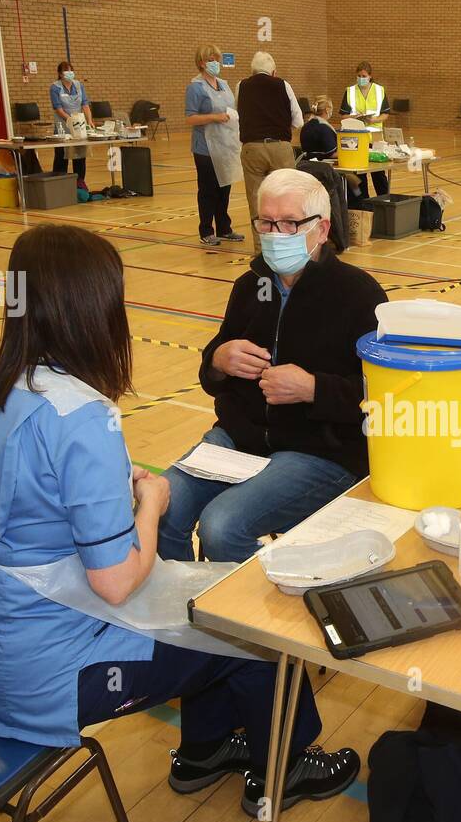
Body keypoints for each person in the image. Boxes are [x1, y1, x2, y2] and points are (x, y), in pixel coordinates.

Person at [0, 223, 360, 815]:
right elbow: (117, 580)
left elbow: (12, 501)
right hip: (46, 676)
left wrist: (100, 494)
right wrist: (151, 508)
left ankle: (204, 751)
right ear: (93, 310)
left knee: (207, 607)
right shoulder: (80, 418)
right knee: (251, 623)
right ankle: (282, 768)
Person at [158, 168, 387, 563]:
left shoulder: (358, 294)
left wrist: (314, 389)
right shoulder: (251, 286)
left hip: (319, 452)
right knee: (160, 504)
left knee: (222, 525)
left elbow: (381, 399)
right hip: (238, 440)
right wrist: (218, 360)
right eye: (265, 221)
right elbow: (212, 376)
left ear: (321, 228)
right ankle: (184, 607)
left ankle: (251, 612)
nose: (274, 233)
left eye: (289, 223)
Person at [236, 51, 303, 234]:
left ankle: (261, 251)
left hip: (252, 148)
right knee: (286, 198)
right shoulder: (283, 85)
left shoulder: (241, 85)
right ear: (274, 72)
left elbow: (238, 114)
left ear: (252, 71)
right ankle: (286, 242)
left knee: (256, 201)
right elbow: (298, 120)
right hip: (279, 147)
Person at [185, 44, 244, 247]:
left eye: (217, 58)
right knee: (208, 189)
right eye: (211, 59)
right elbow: (190, 118)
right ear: (202, 62)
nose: (215, 63)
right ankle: (206, 230)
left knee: (224, 188)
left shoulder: (224, 84)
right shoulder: (195, 87)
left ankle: (224, 227)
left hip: (225, 144)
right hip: (205, 147)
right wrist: (213, 117)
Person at [339, 61, 391, 197]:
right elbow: (343, 115)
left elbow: (385, 114)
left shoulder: (379, 90)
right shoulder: (350, 91)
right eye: (359, 76)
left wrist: (374, 119)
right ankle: (363, 201)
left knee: (378, 173)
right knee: (360, 172)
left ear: (370, 76)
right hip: (357, 136)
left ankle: (384, 198)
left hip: (375, 136)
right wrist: (354, 117)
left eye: (364, 76)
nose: (361, 78)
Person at [50, 61, 89, 184]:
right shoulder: (55, 87)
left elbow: (85, 105)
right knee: (61, 158)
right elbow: (58, 108)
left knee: (80, 157)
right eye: (66, 72)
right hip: (63, 126)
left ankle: (80, 184)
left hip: (79, 127)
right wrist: (70, 121)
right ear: (60, 74)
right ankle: (59, 184)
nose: (70, 74)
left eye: (71, 71)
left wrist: (89, 121)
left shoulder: (79, 85)